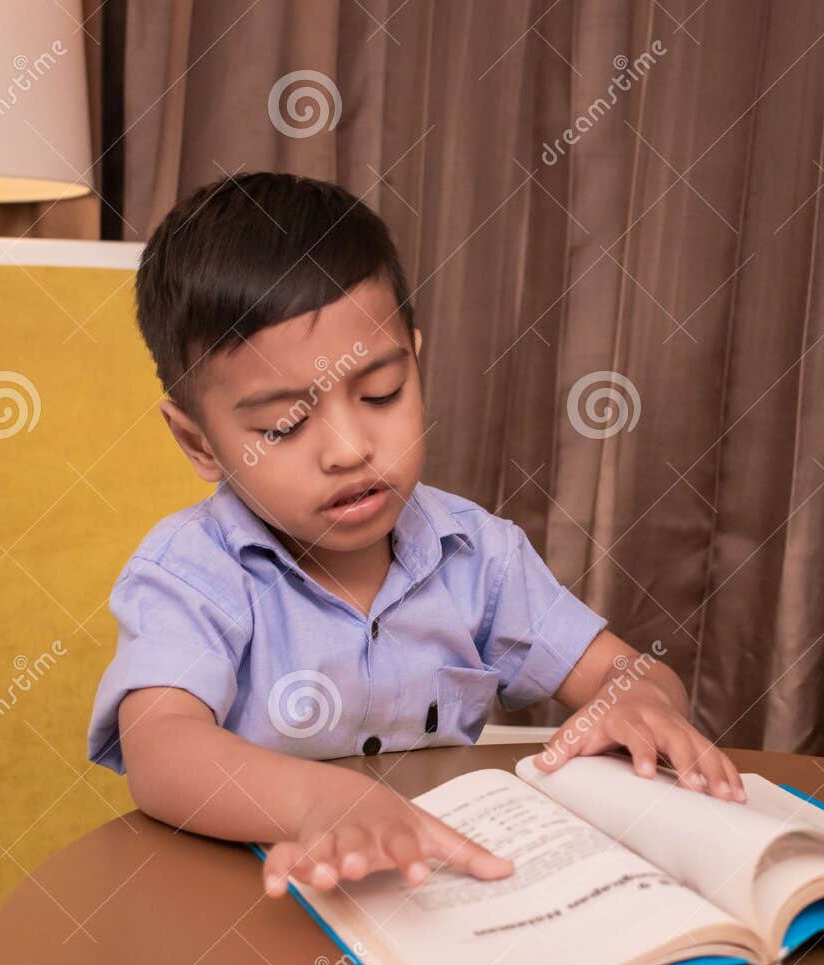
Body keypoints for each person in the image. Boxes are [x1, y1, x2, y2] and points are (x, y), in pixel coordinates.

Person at [86, 171, 744, 900]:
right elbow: (161, 750)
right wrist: (315, 802)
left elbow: (628, 672)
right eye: (282, 425)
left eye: (381, 394)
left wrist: (642, 702)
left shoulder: (479, 555)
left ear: (416, 362)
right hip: (256, 913)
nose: (347, 449)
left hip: (438, 902)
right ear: (198, 440)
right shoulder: (193, 572)